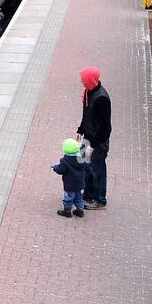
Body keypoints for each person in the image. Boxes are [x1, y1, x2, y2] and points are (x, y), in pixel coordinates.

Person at [76, 66, 111, 210]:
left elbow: (104, 126)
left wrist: (93, 145)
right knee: (84, 165)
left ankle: (99, 200)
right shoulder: (88, 92)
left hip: (97, 141)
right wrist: (81, 129)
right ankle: (88, 194)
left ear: (89, 79)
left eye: (83, 79)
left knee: (97, 169)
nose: (81, 81)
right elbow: (87, 115)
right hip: (88, 136)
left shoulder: (101, 98)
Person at [51, 138, 88, 218]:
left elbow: (60, 170)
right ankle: (80, 210)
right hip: (80, 182)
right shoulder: (81, 158)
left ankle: (67, 211)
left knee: (69, 197)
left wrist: (54, 168)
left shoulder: (64, 161)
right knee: (78, 196)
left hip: (70, 184)